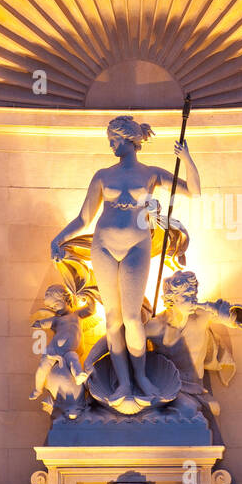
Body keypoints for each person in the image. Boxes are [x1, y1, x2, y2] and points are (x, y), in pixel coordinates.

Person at [50, 116, 201, 406]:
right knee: (112, 320)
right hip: (104, 245)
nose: (110, 144)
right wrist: (58, 239)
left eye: (114, 139)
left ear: (129, 139)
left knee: (132, 318)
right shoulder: (102, 175)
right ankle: (122, 383)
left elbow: (193, 191)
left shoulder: (152, 174)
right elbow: (84, 218)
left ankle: (141, 376)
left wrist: (187, 158)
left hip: (136, 245)